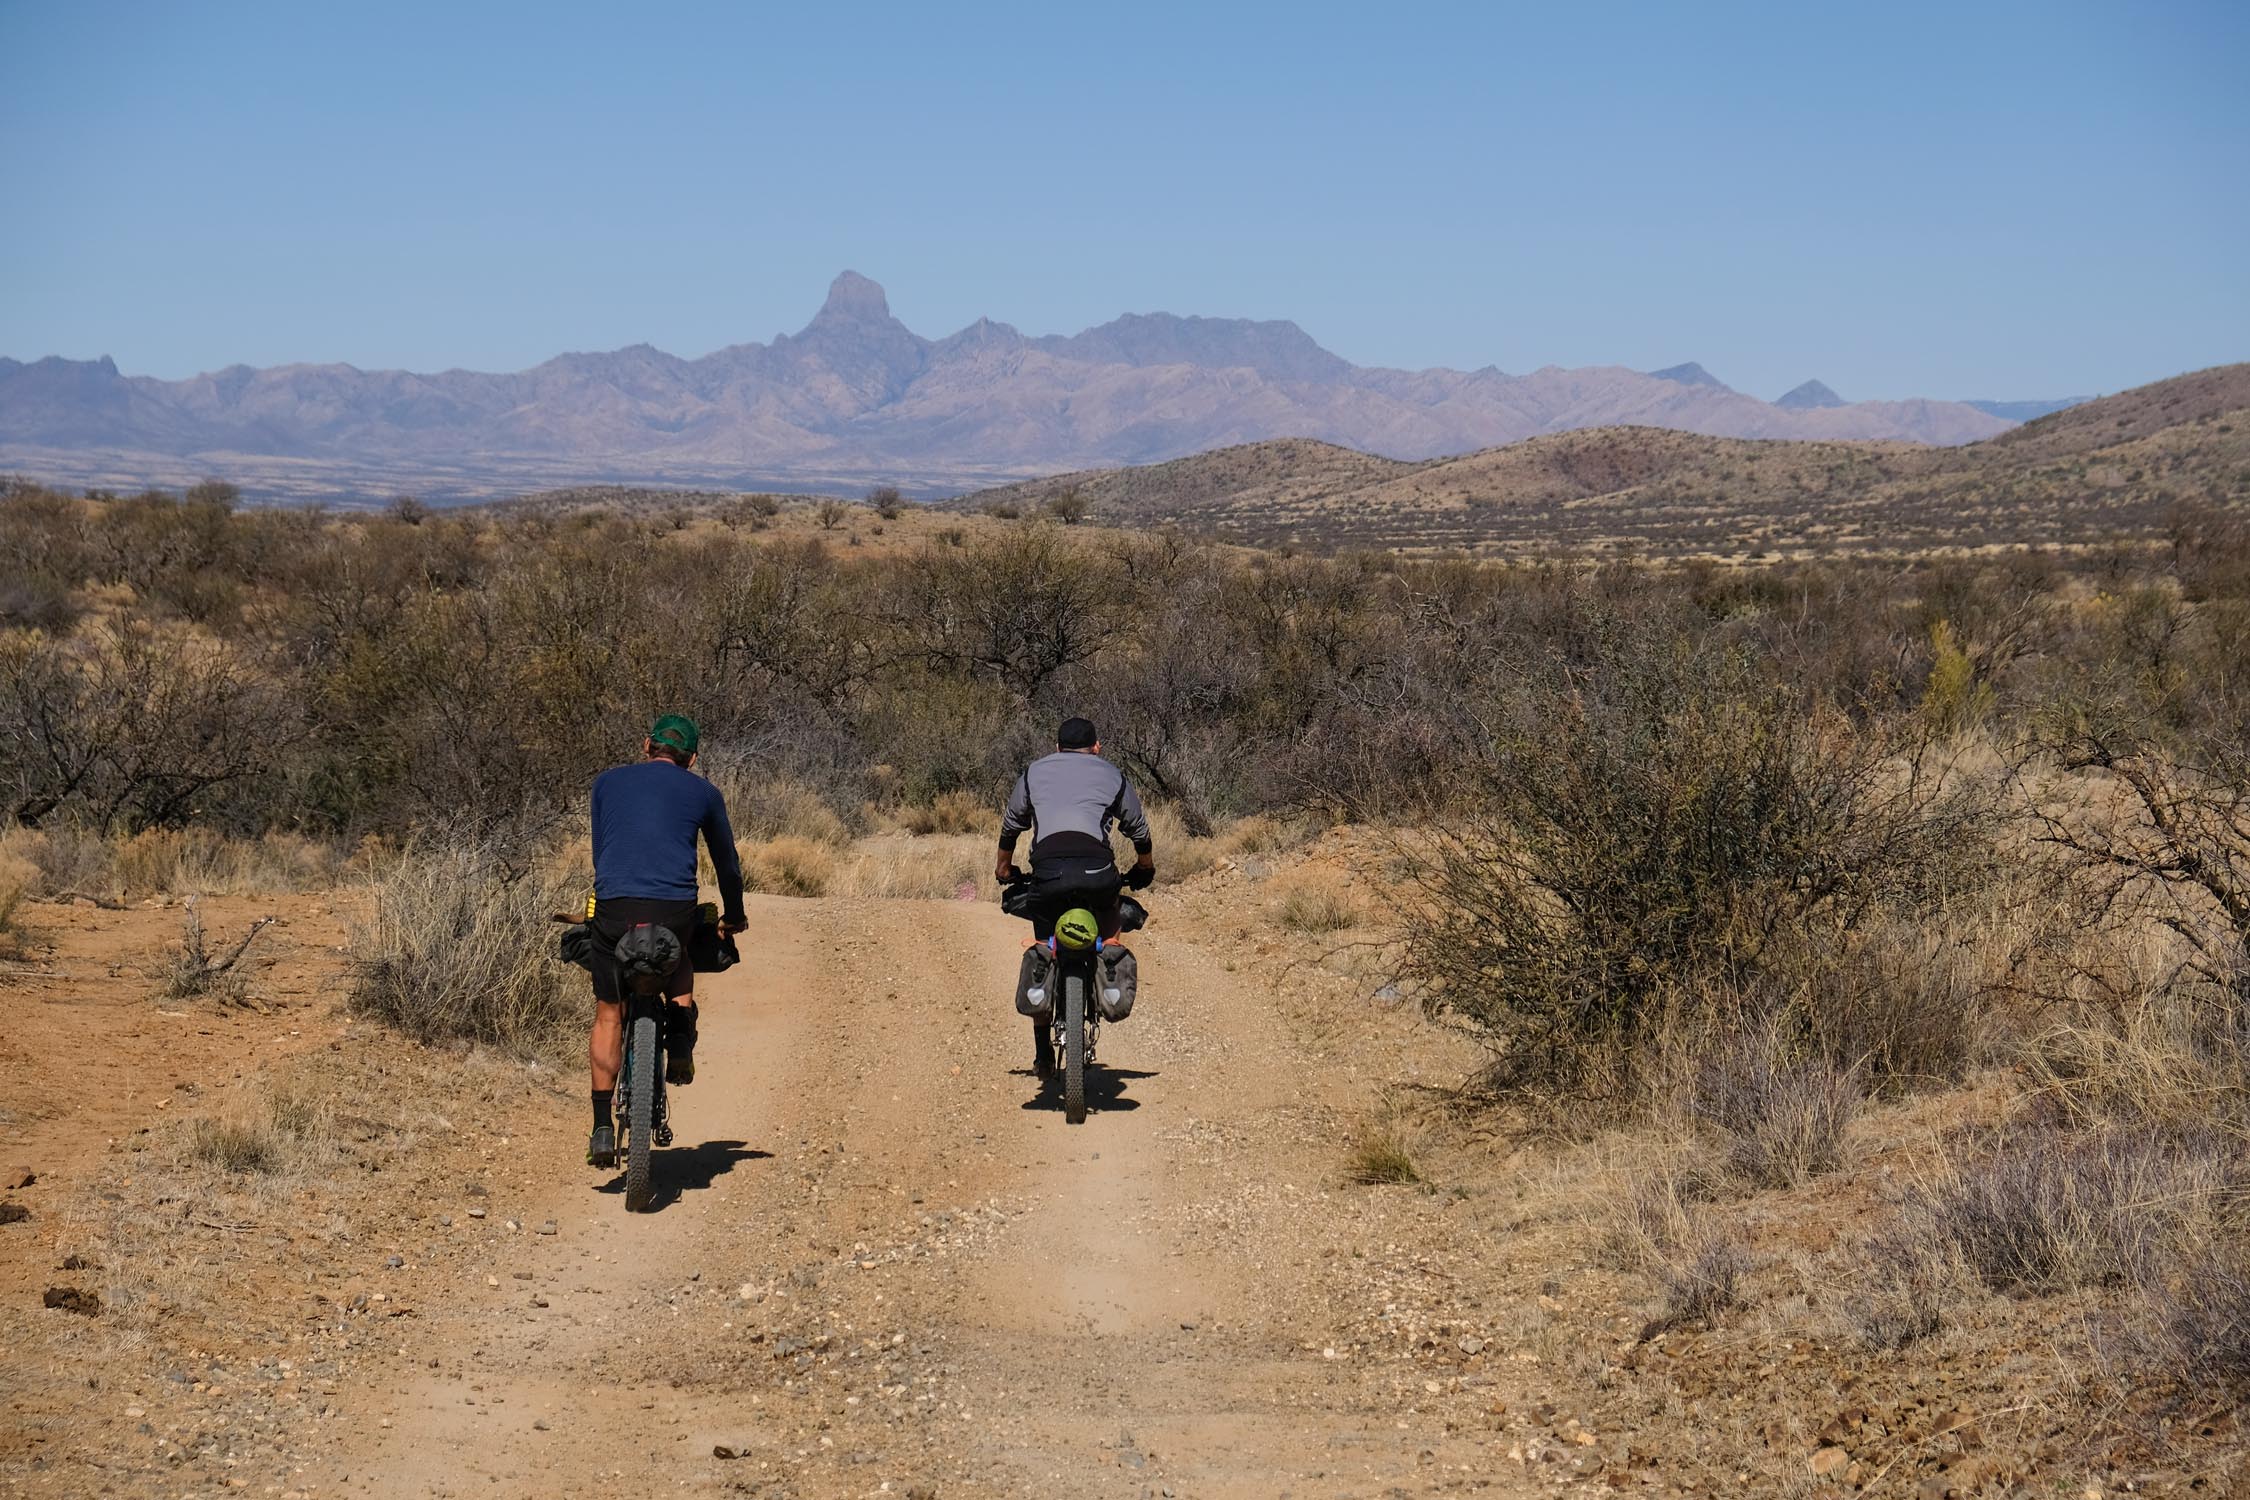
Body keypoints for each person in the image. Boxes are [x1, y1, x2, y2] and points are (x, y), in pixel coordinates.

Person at [584, 713, 746, 1168]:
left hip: (614, 907)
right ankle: (678, 1039)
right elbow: (728, 865)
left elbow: (601, 852)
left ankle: (601, 1127)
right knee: (683, 947)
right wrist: (734, 916)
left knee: (609, 1014)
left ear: (646, 745)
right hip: (671, 910)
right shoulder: (704, 793)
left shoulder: (605, 784)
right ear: (691, 759)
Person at [995, 716, 1155, 1075]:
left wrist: (1004, 869)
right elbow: (1138, 829)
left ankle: (1042, 1055)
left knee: (1043, 950)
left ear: (1057, 748)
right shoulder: (1112, 774)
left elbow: (1011, 826)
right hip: (1098, 873)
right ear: (1096, 747)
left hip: (1048, 875)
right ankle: (1109, 955)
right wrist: (1144, 867)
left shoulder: (1033, 773)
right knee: (1109, 917)